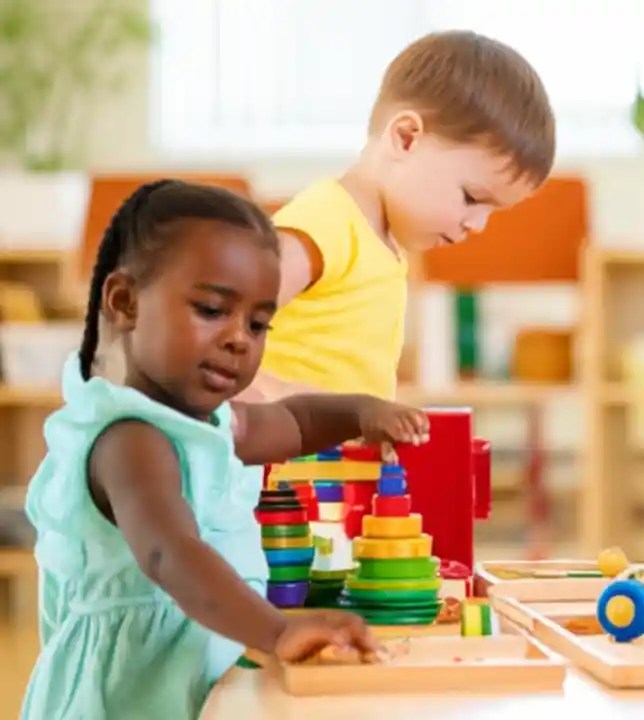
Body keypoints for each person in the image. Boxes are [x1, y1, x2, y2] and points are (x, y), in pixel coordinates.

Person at [22, 181, 432, 719]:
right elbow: (171, 553)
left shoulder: (210, 421)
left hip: (191, 674)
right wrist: (277, 628)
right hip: (125, 696)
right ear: (125, 303)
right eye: (213, 310)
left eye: (258, 323)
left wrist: (360, 412)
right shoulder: (130, 440)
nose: (240, 338)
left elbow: (292, 420)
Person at [242, 30, 556, 401]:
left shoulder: (384, 245)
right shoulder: (326, 223)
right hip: (287, 457)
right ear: (406, 137)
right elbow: (211, 332)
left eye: (492, 211)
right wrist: (275, 394)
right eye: (472, 197)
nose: (478, 225)